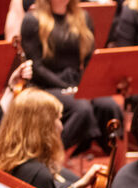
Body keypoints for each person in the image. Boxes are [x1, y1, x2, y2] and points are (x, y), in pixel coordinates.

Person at [20, 0, 122, 155]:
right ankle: (53, 156)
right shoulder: (32, 19)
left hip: (76, 83)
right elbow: (36, 66)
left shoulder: (83, 17)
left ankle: (116, 166)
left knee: (109, 106)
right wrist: (66, 87)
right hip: (45, 85)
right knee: (82, 108)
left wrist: (88, 86)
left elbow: (89, 61)